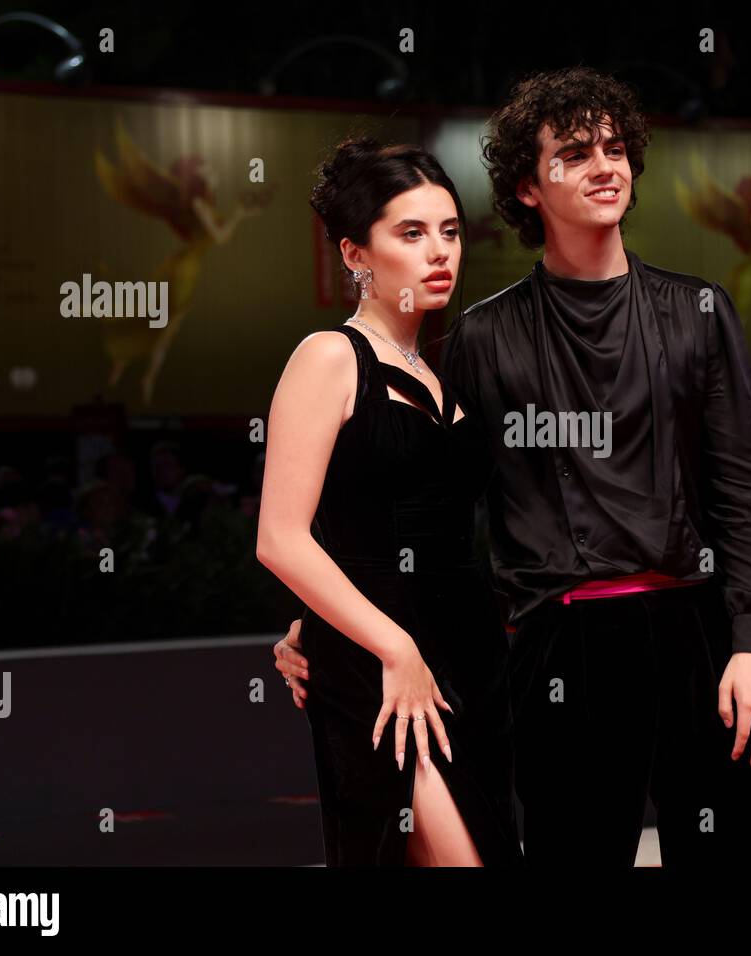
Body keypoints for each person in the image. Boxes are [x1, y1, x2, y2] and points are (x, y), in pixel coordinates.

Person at [275, 66, 751, 866]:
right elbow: (433, 493)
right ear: (525, 187)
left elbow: (742, 493)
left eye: (616, 148)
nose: (605, 166)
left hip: (702, 631)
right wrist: (330, 618)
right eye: (576, 153)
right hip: (560, 648)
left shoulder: (698, 311)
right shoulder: (481, 336)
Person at [257, 137, 521, 866]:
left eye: (449, 231)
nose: (439, 252)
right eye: (410, 233)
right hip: (384, 667)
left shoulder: (449, 371)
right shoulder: (328, 358)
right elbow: (280, 537)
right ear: (355, 255)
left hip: (471, 659)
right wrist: (388, 644)